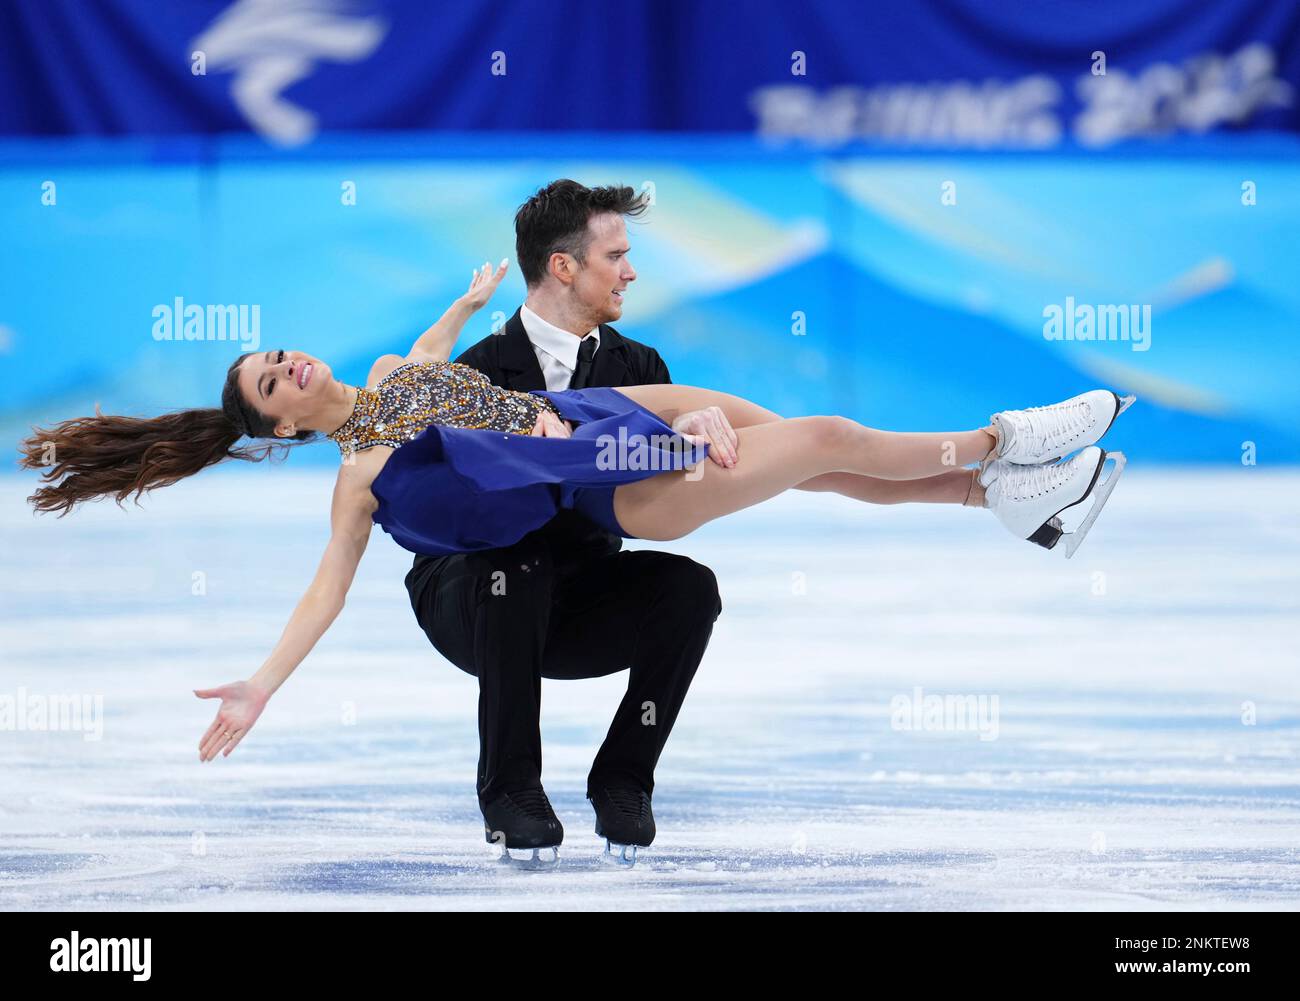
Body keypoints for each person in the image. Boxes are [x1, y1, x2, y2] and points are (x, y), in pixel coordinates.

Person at [18, 213, 1132, 864]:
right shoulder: (358, 476)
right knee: (825, 440)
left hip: (607, 420)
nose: (288, 362)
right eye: (272, 381)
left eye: (277, 351)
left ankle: (1012, 501)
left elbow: (429, 363)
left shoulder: (401, 374)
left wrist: (466, 303)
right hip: (608, 486)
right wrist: (260, 684)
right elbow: (328, 591)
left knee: (820, 461)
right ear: (277, 425)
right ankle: (1003, 438)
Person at [403, 182, 727, 866]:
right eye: (616, 255)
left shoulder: (640, 370)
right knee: (514, 562)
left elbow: (655, 495)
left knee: (690, 588)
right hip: (470, 596)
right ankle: (510, 790)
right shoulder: (480, 372)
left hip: (575, 595)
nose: (631, 271)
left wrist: (686, 432)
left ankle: (623, 778)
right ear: (564, 267)